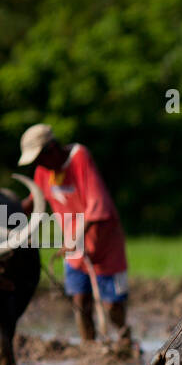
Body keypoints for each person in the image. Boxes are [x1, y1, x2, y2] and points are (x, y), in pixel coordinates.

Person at [18, 123, 130, 341]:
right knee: (80, 302)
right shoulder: (43, 171)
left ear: (52, 148)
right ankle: (88, 347)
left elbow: (96, 206)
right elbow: (33, 204)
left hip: (105, 245)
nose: (39, 164)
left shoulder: (79, 158)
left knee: (112, 305)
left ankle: (124, 337)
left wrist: (74, 238)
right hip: (75, 249)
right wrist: (3, 209)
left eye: (40, 157)